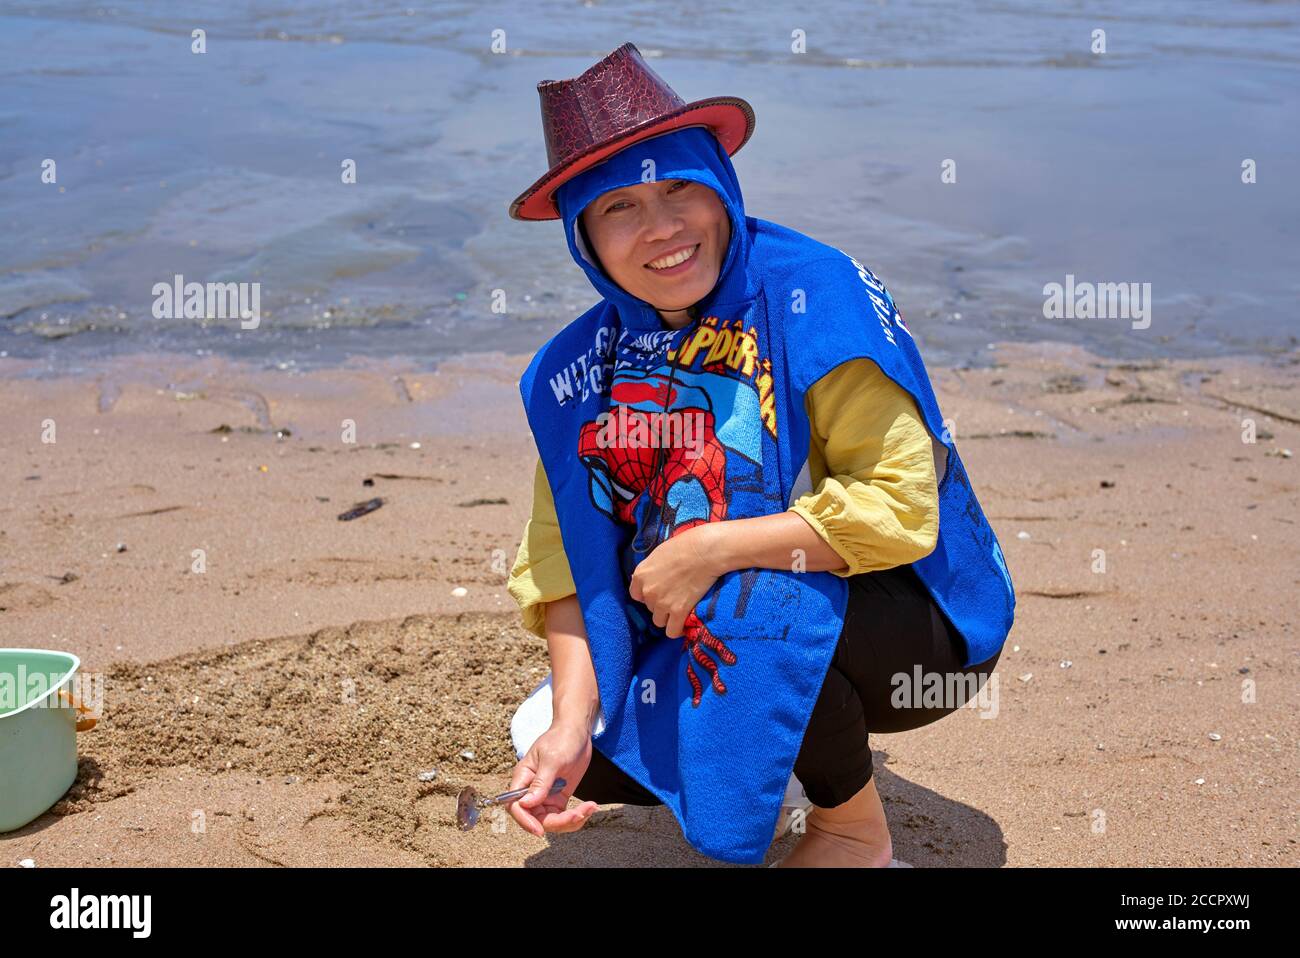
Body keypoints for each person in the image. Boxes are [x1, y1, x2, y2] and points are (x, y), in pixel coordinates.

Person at [502, 43, 1015, 867]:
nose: (663, 229)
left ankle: (854, 836)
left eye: (678, 188)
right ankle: (769, 767)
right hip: (744, 608)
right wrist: (568, 725)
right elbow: (563, 565)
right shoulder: (579, 371)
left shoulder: (816, 296)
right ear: (582, 238)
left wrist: (707, 547)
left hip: (921, 629)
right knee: (555, 731)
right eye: (619, 208)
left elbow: (902, 508)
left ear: (721, 184)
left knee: (743, 589)